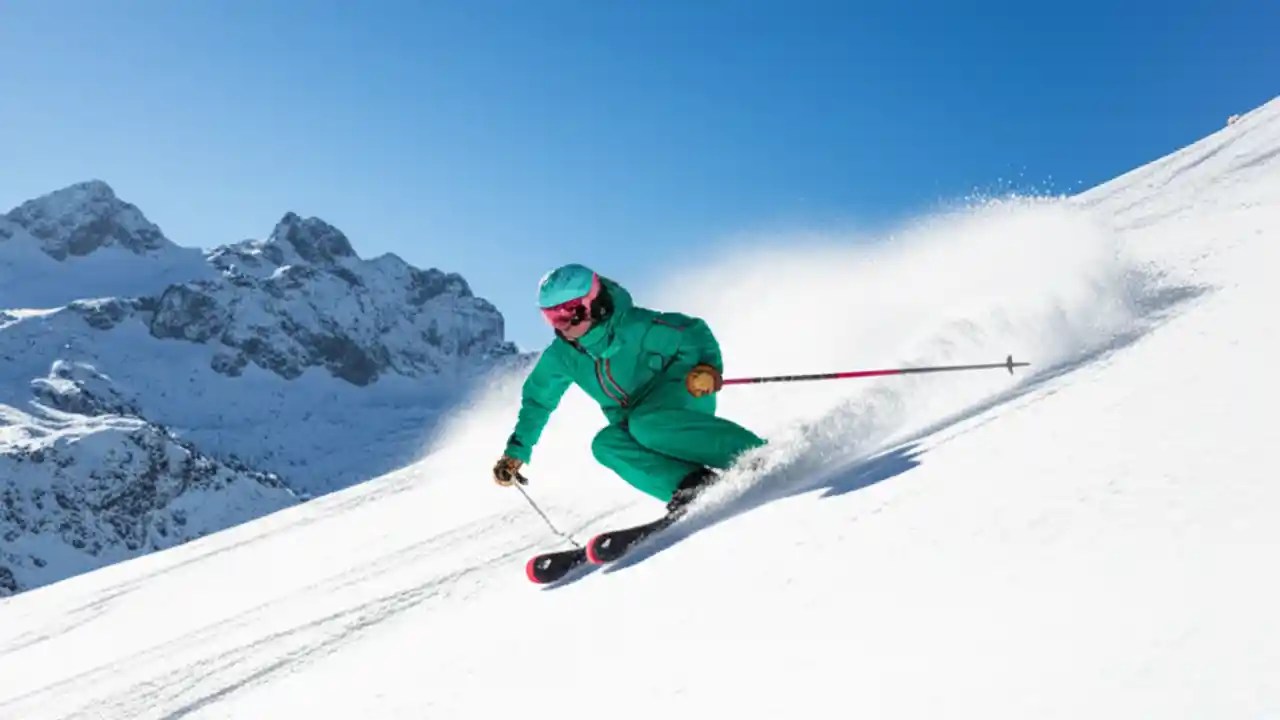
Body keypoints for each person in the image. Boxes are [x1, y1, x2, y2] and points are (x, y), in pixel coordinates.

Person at [492, 263, 765, 516]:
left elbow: (693, 331)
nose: (562, 326)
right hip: (636, 419)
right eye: (552, 317)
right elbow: (538, 400)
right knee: (606, 444)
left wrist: (708, 368)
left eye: (567, 313)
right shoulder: (563, 355)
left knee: (646, 425)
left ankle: (753, 456)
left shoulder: (635, 326)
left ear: (593, 303)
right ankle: (692, 486)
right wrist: (516, 452)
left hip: (682, 394)